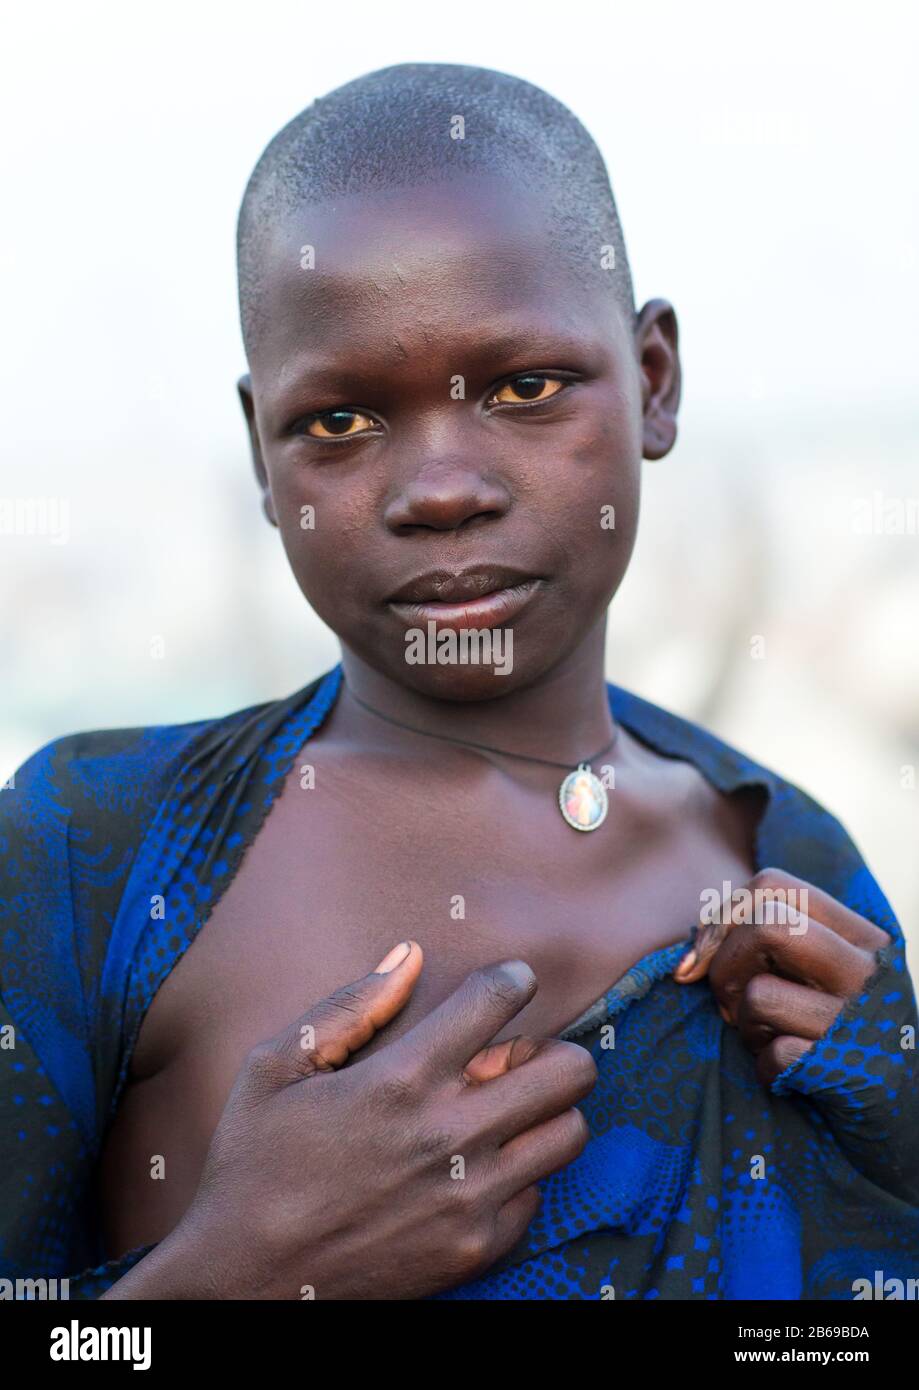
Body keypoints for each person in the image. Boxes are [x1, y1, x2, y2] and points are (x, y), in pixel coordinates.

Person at [1, 63, 916, 1302]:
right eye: (338, 421)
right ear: (261, 455)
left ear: (652, 381)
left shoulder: (787, 866)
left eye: (524, 387)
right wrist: (235, 1271)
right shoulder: (94, 856)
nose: (439, 488)